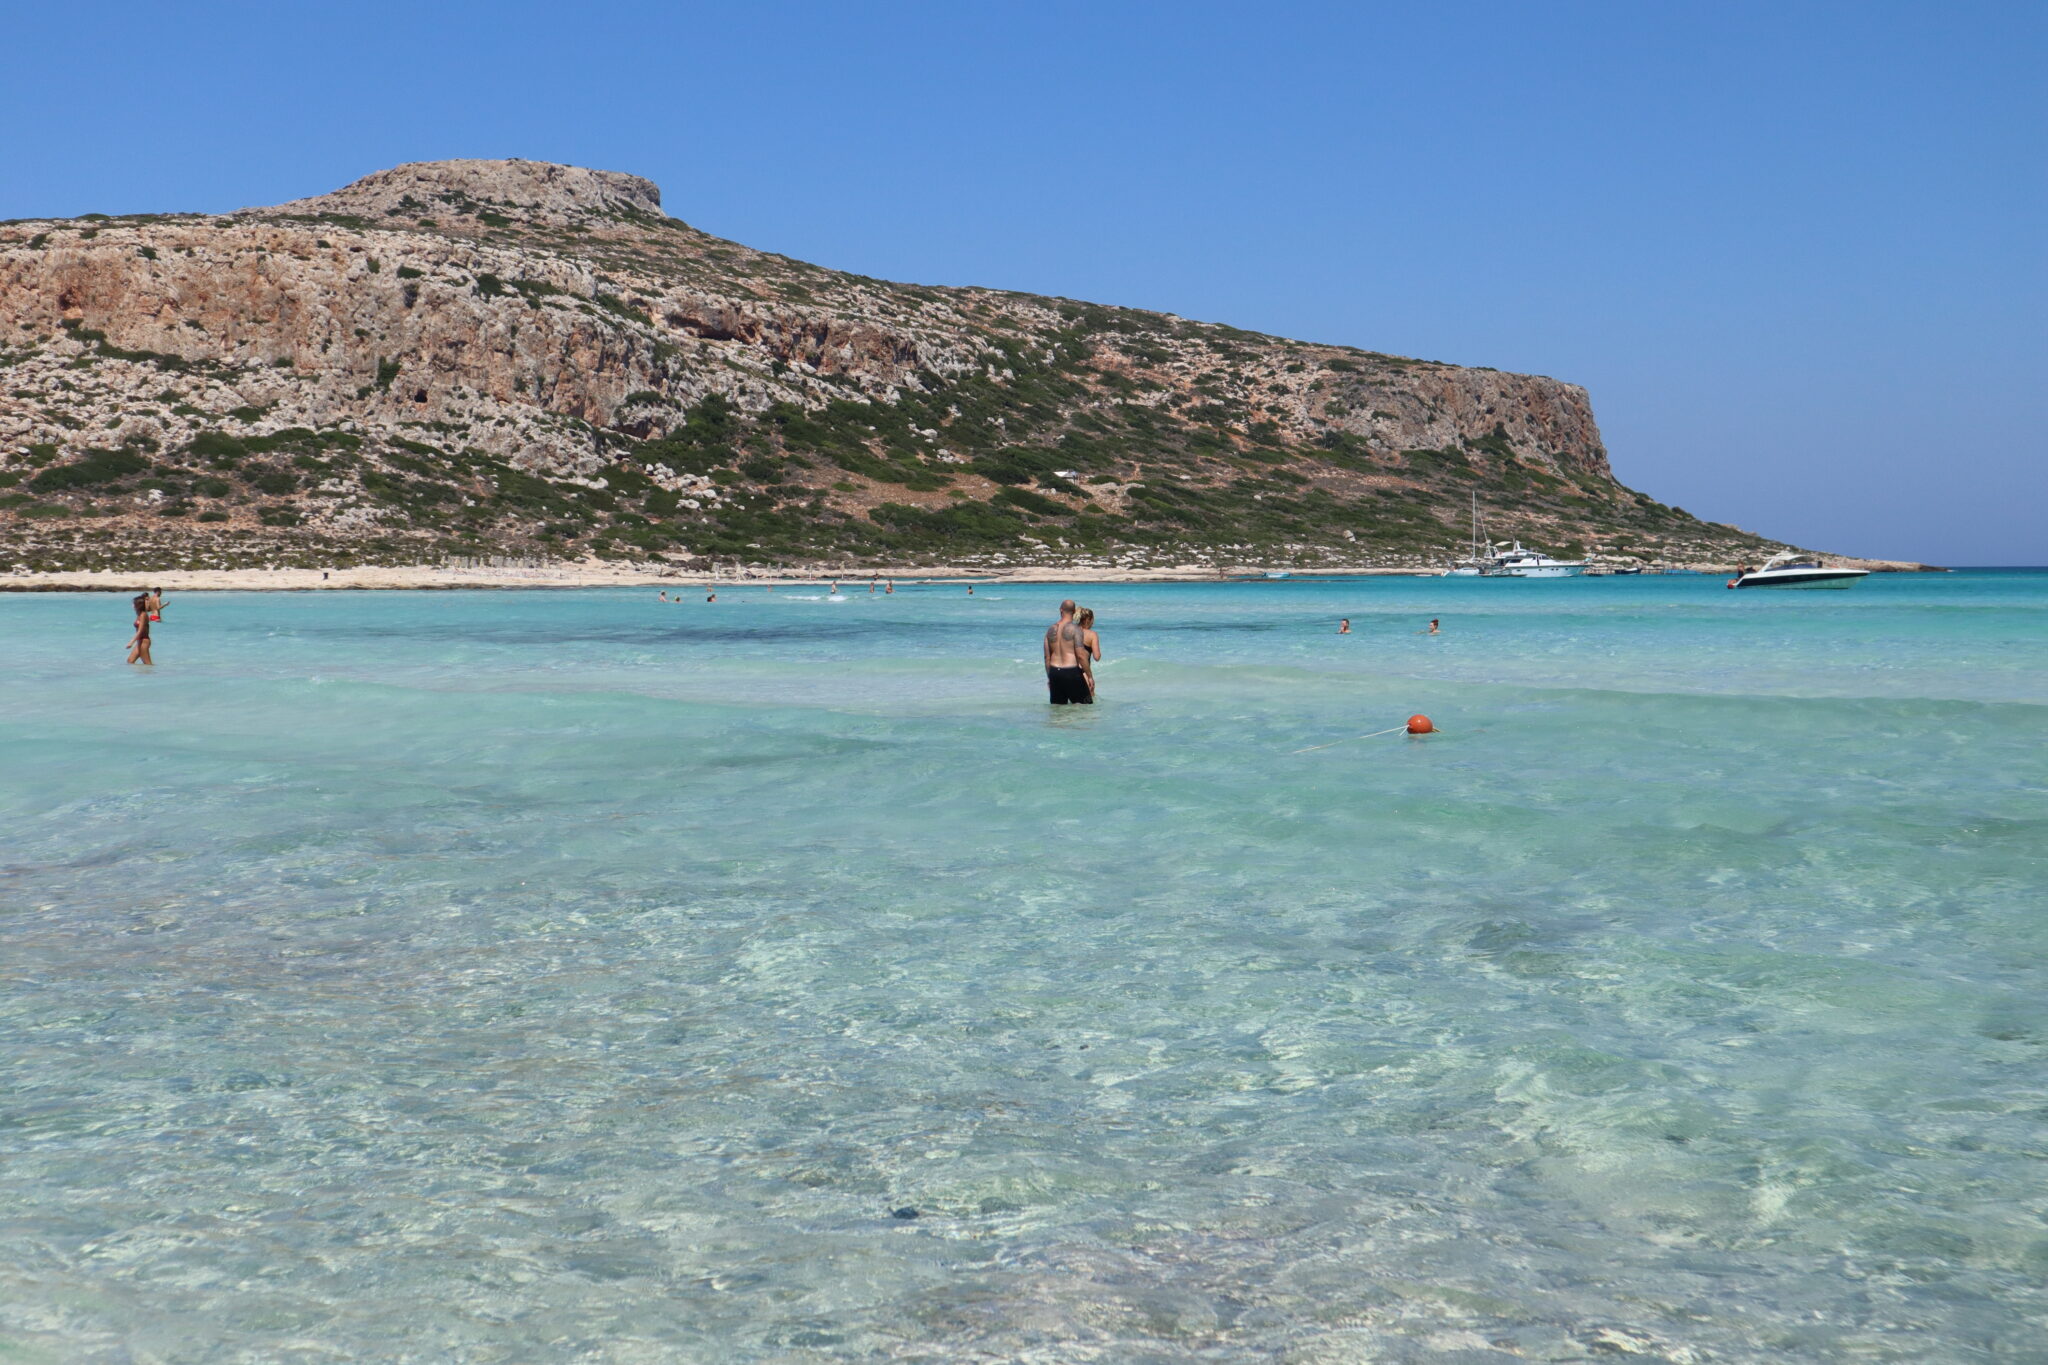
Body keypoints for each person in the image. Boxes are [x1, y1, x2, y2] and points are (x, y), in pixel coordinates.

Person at [1042, 599, 1092, 705]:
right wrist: (1090, 676)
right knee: (1085, 707)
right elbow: (1081, 655)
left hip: (1055, 672)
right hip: (1071, 672)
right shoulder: (1076, 629)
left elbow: (1047, 658)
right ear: (1074, 612)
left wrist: (1050, 677)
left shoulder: (1050, 630)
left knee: (1058, 710)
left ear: (1060, 610)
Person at [1075, 607, 1102, 699]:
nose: (1092, 623)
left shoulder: (1070, 631)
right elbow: (1097, 657)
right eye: (1092, 620)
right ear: (1088, 620)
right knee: (1088, 709)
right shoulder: (1092, 634)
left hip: (1067, 670)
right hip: (1083, 673)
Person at [126, 593, 153, 666]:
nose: (132, 605)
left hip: (144, 641)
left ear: (138, 605)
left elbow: (140, 631)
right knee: (130, 661)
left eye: (133, 603)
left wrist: (131, 642)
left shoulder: (143, 615)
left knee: (148, 664)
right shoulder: (139, 614)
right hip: (140, 641)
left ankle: (156, 675)